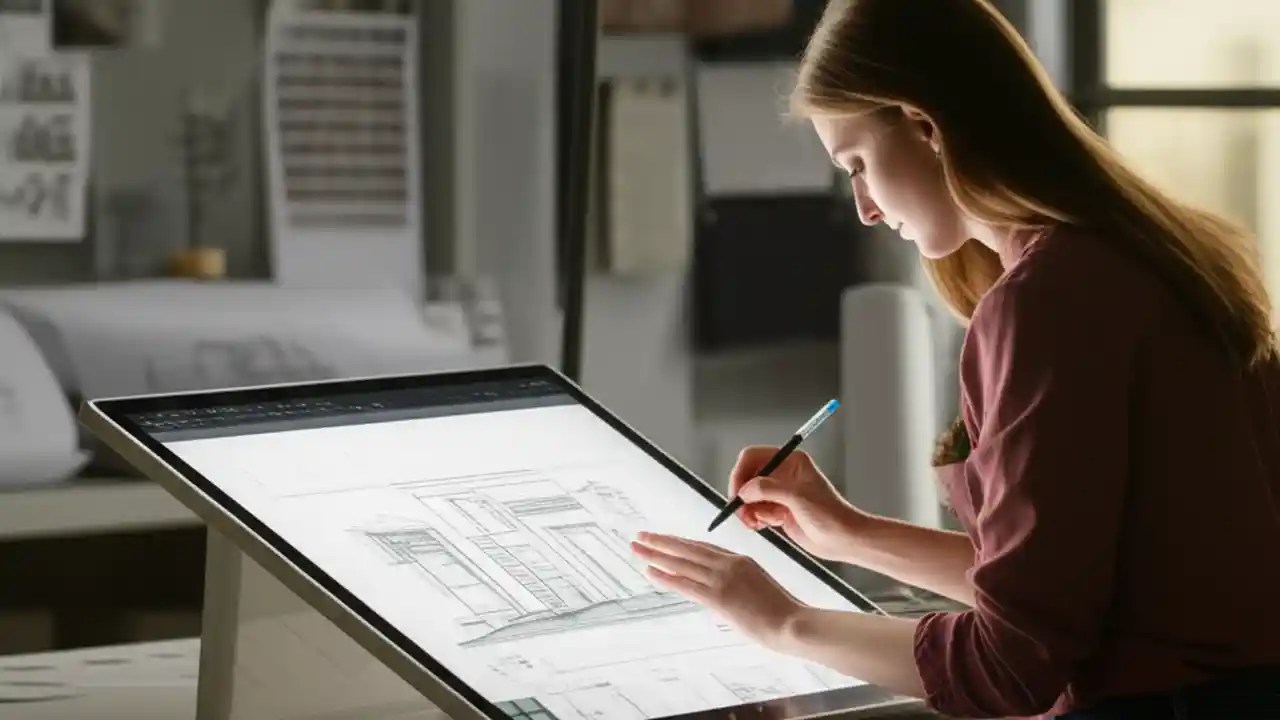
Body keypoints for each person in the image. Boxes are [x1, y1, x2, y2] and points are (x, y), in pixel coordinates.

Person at [628, 0, 1280, 718]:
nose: (865, 208)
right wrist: (850, 534)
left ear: (925, 126)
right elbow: (1071, 597)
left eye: (858, 165)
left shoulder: (1045, 303)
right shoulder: (1150, 255)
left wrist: (783, 622)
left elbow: (1012, 664)